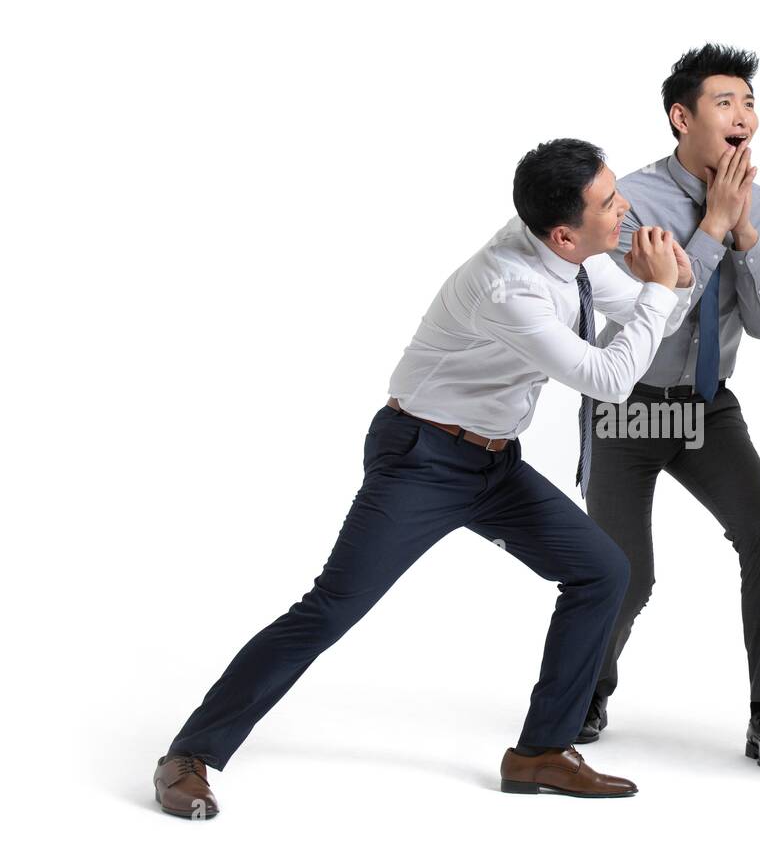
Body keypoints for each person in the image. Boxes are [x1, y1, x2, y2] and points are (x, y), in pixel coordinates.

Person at [153, 138, 697, 817]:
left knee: (601, 571)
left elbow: (655, 309)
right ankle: (190, 753)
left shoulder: (573, 253)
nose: (625, 211)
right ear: (564, 232)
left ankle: (540, 753)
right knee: (330, 609)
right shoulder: (511, 286)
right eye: (610, 203)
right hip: (422, 458)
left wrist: (670, 278)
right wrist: (661, 289)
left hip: (494, 462)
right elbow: (613, 378)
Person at [577, 44, 760, 769]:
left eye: (749, 104)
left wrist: (742, 232)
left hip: (706, 407)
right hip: (630, 404)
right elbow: (660, 312)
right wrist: (709, 228)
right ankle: (589, 688)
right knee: (626, 573)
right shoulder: (632, 203)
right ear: (682, 117)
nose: (743, 117)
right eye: (724, 103)